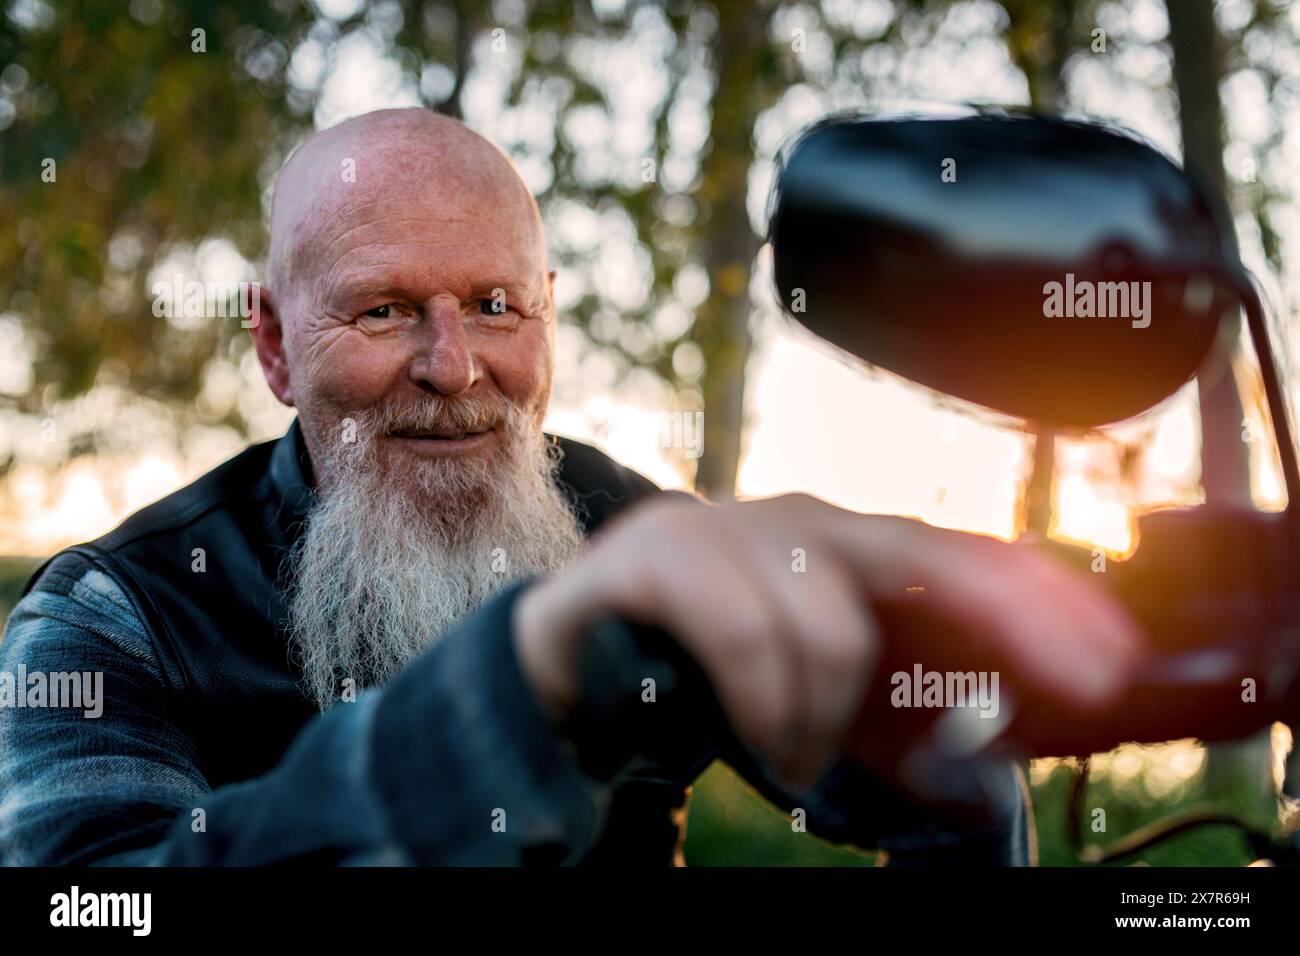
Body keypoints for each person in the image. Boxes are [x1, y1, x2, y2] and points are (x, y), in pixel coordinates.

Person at [0, 108, 1141, 866]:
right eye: (383, 309)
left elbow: (932, 787)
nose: (454, 369)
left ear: (545, 313)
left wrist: (939, 681)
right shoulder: (114, 617)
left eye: (496, 306)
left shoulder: (641, 532)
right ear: (274, 345)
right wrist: (525, 681)